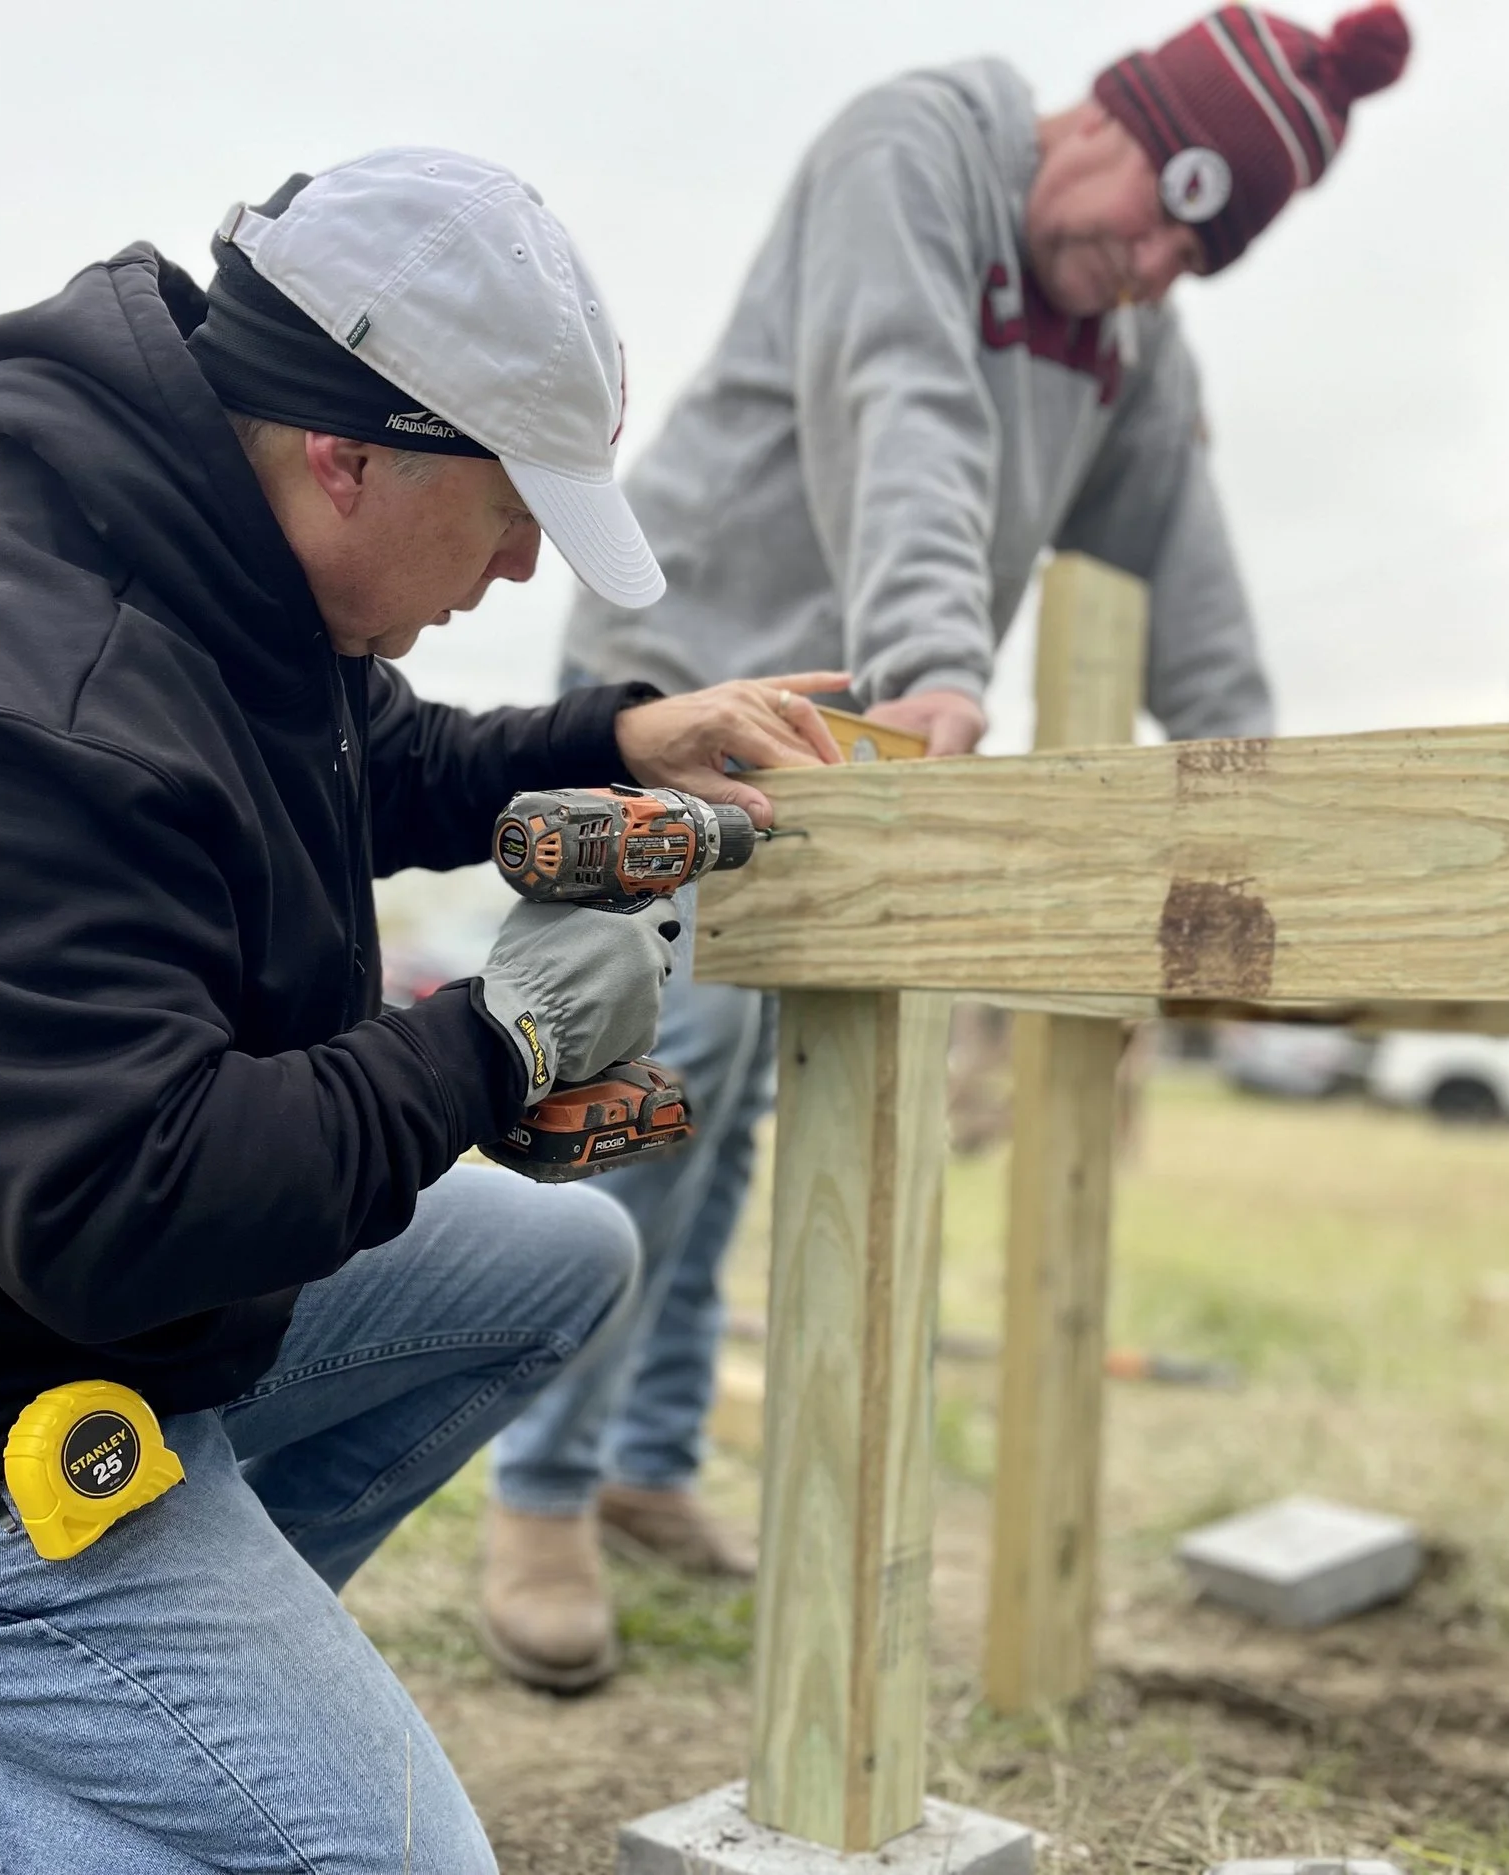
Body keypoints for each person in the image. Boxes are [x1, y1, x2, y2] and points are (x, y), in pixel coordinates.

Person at [0, 149, 850, 1874]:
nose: (521, 565)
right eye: (510, 504)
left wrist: (611, 737)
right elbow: (123, 1208)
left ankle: (138, 1710)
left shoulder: (233, 574)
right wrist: (489, 1042)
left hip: (83, 1329)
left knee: (561, 1258)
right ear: (349, 454)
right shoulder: (0, 706)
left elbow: (376, 758)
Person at [479, 3, 1411, 1691]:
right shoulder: (910, 152)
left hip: (866, 743)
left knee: (750, 1092)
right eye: (1146, 221)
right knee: (664, 1073)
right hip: (699, 685)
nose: (1142, 269)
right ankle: (536, 1488)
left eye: (1189, 261)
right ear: (1111, 120)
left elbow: (1183, 573)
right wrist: (934, 662)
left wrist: (1267, 805)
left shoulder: (1131, 337)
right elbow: (897, 397)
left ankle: (644, 1463)